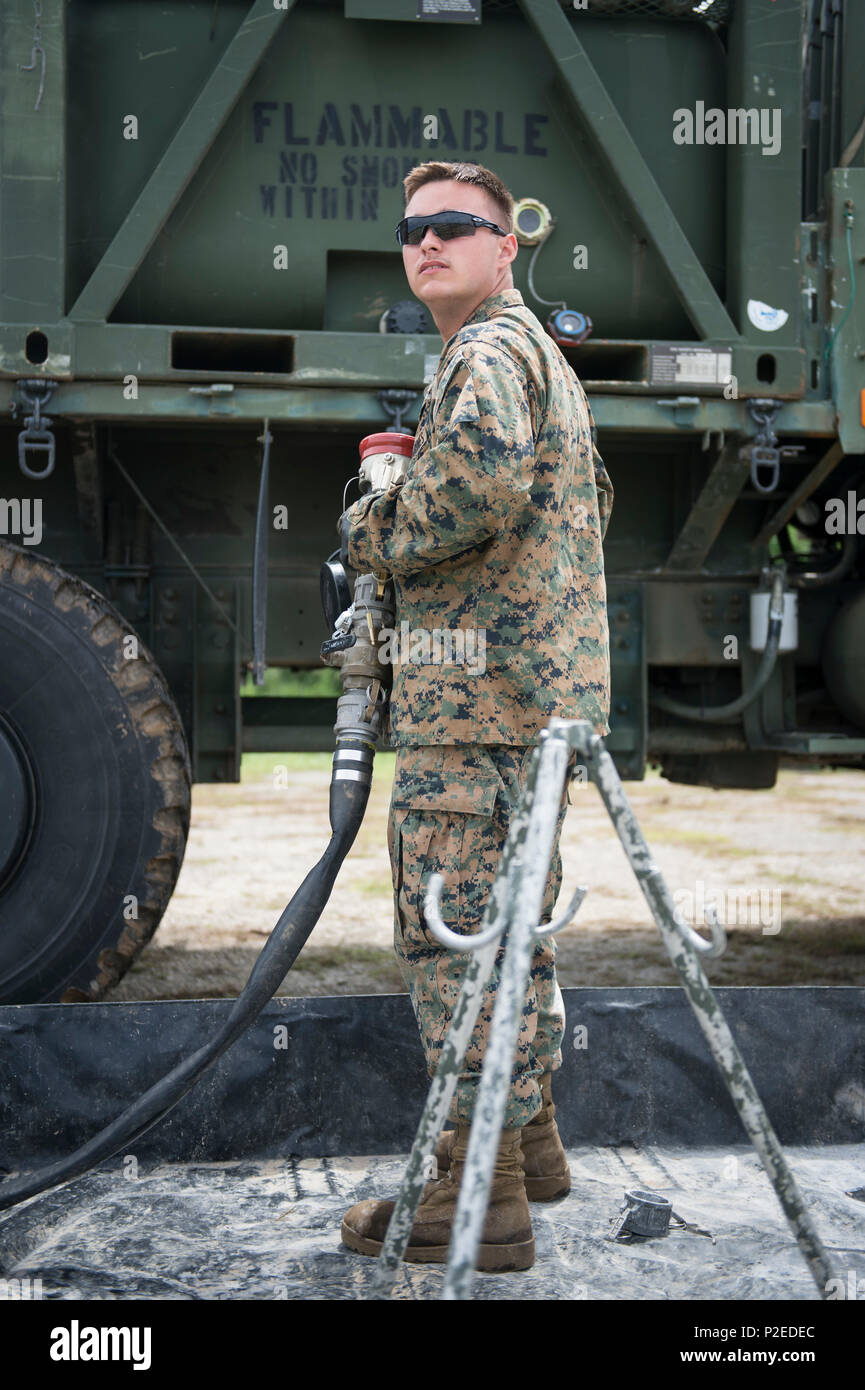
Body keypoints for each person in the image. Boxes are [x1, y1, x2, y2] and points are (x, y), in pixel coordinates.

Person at [339, 161, 613, 1272]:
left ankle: (479, 1194)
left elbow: (476, 489)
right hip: (533, 704)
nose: (428, 242)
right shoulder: (534, 353)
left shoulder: (489, 351)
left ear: (508, 247)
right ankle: (530, 1144)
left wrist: (373, 518)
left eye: (456, 225)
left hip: (477, 701)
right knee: (512, 931)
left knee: (451, 935)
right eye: (413, 230)